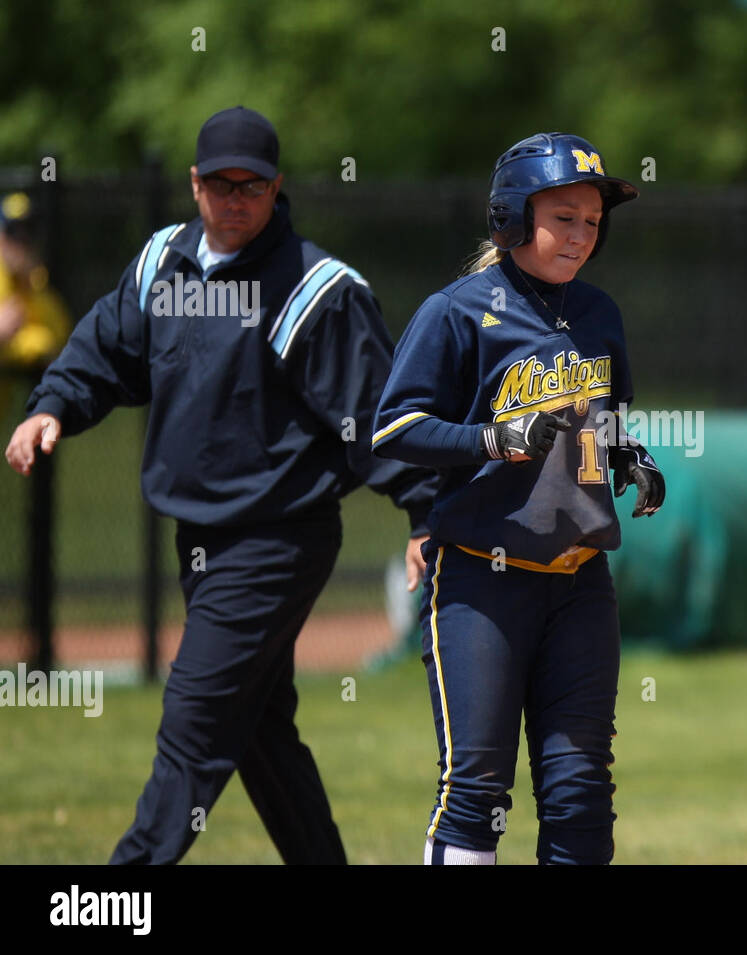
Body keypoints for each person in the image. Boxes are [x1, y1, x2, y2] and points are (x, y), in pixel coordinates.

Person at [4, 106, 441, 865]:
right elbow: (105, 347)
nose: (235, 200)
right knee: (260, 734)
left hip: (278, 537)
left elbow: (377, 413)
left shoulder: (315, 289)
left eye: (253, 186)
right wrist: (53, 406)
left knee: (195, 722)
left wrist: (425, 512)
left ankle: (116, 896)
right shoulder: (162, 263)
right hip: (202, 534)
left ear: (277, 189)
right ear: (194, 184)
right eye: (219, 184)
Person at [371, 132, 665, 865]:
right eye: (563, 215)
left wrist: (629, 453)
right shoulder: (458, 310)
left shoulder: (599, 312)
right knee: (477, 790)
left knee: (579, 792)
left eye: (592, 221)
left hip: (580, 583)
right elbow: (394, 426)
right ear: (512, 214)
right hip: (480, 580)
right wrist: (492, 440)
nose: (580, 234)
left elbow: (603, 415)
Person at [0, 191, 71, 376]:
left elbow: (59, 335)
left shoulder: (37, 281)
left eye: (29, 232)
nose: (22, 242)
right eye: (14, 232)